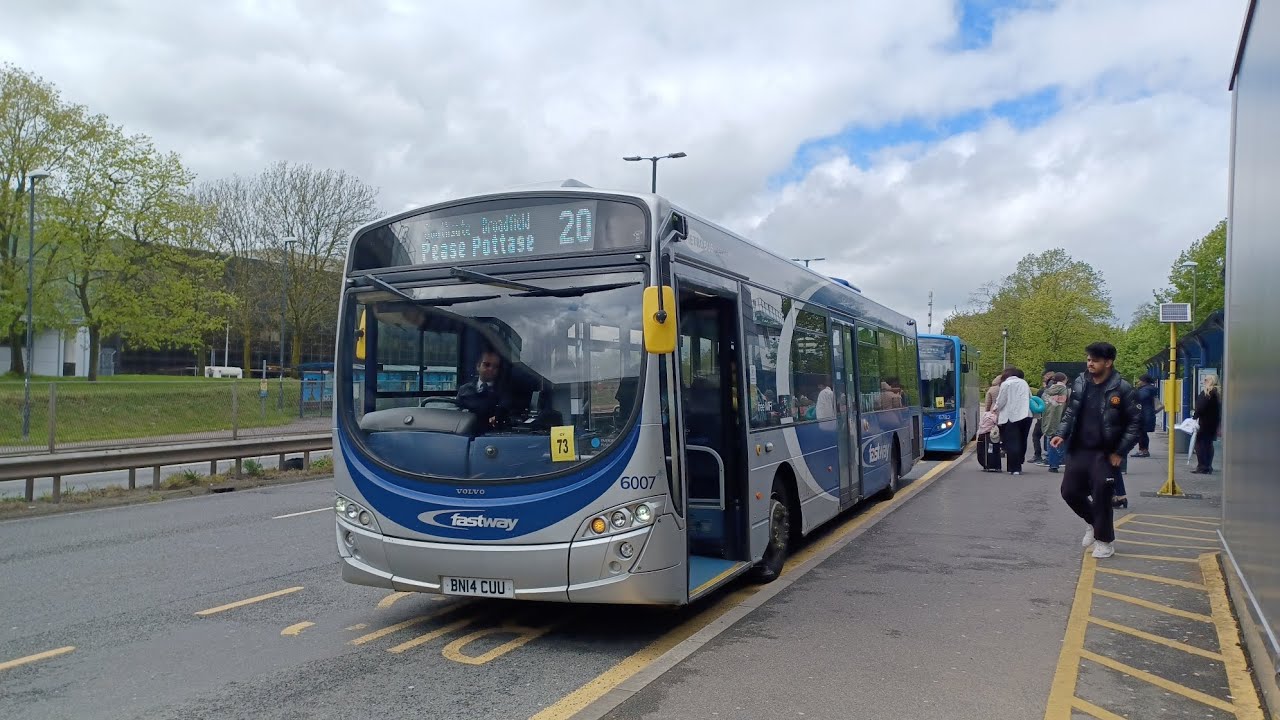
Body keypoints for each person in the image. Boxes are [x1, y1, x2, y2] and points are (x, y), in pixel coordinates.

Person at [1051, 342, 1141, 559]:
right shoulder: (1081, 382)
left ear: (1108, 363)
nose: (1090, 363)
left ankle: (1104, 541)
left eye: (1095, 360)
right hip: (1079, 447)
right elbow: (1070, 411)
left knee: (1102, 494)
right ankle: (1093, 522)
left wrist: (1119, 451)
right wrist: (1061, 433)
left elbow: (1135, 423)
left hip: (1105, 452)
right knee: (1069, 492)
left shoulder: (1123, 388)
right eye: (1088, 359)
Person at [456, 350, 512, 429]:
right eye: (487, 365)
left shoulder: (503, 392)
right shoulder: (464, 389)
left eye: (495, 366)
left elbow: (503, 413)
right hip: (465, 432)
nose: (491, 369)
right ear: (478, 366)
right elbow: (457, 413)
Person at [994, 367, 1034, 475]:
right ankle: (1019, 461)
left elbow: (1001, 401)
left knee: (1012, 442)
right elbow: (1030, 397)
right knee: (1022, 440)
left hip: (1011, 417)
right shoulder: (1024, 383)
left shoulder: (1006, 384)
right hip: (1026, 415)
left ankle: (1014, 468)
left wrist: (995, 409)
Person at [1191, 375, 1222, 474]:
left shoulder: (1207, 393)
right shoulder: (1218, 393)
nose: (1204, 381)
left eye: (1206, 380)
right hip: (1214, 422)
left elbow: (1200, 407)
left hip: (1204, 422)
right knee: (1209, 444)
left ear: (1210, 381)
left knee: (1200, 444)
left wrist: (1195, 417)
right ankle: (1208, 466)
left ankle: (1202, 466)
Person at [1041, 373, 1069, 473]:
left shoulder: (1046, 392)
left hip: (1049, 419)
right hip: (1062, 419)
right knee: (1064, 440)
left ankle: (1053, 464)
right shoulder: (1066, 391)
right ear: (1064, 380)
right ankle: (1065, 461)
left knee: (1051, 440)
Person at [1132, 375, 1160, 458]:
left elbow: (1138, 398)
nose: (1138, 382)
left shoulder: (1146, 390)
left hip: (1144, 414)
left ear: (1144, 381)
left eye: (1139, 380)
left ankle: (1143, 450)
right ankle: (1144, 450)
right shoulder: (1149, 389)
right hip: (1147, 414)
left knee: (1141, 433)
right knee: (1142, 433)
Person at [1031, 371, 1054, 465]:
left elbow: (1037, 403)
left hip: (1042, 416)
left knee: (1036, 435)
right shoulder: (1061, 390)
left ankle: (1038, 455)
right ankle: (1050, 455)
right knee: (1049, 436)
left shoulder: (1043, 391)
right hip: (1053, 417)